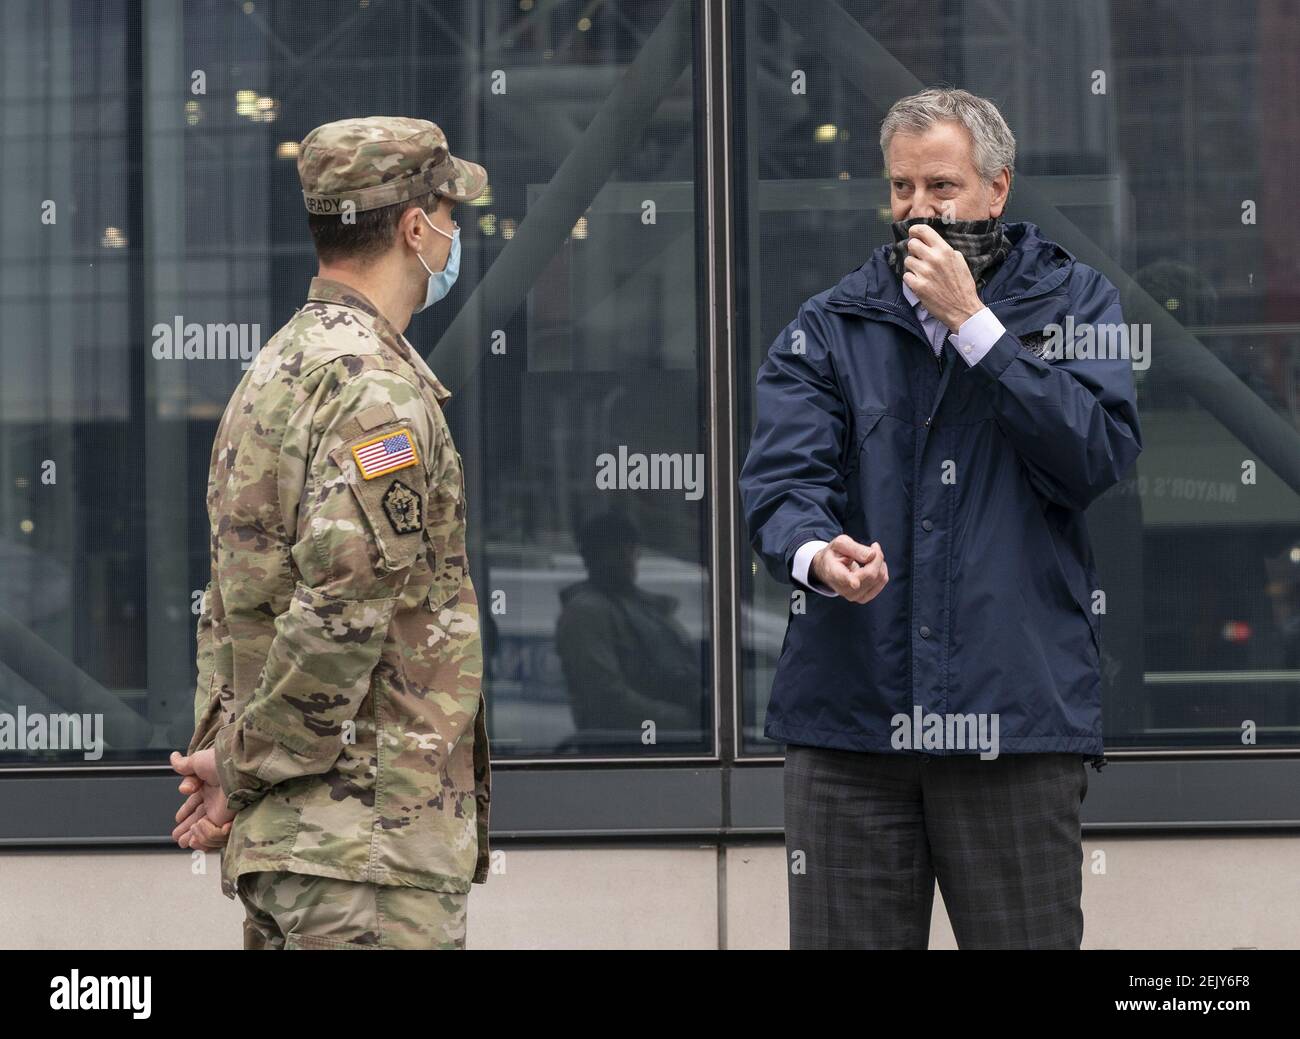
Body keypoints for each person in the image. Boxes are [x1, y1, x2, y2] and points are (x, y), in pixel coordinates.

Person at [738, 88, 1142, 949]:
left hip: (1013, 723)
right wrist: (818, 553)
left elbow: (1096, 457)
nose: (919, 209)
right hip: (851, 728)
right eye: (901, 188)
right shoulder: (830, 324)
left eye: (942, 187)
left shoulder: (1080, 307)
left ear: (999, 188)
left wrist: (979, 331)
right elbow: (778, 485)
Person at [168, 116, 491, 950]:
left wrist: (229, 765)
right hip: (367, 858)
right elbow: (341, 610)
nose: (456, 236)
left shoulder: (270, 373)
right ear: (415, 227)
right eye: (450, 215)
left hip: (298, 848)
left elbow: (228, 608)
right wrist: (236, 769)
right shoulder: (375, 388)